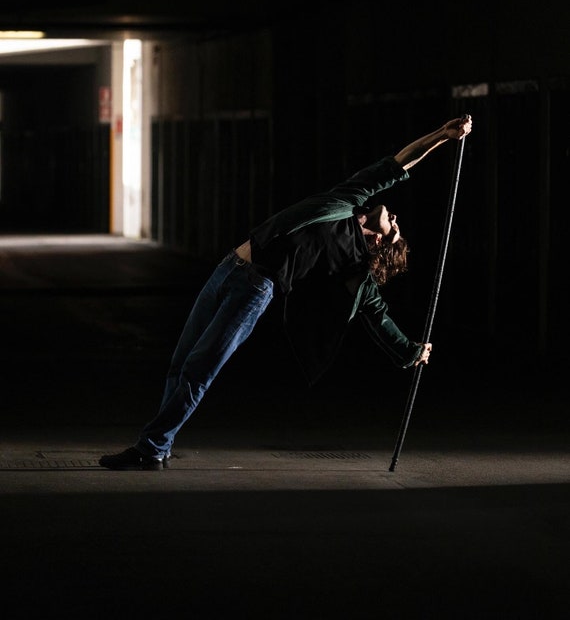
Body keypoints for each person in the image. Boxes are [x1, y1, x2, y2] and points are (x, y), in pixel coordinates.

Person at [99, 114, 473, 470]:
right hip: (229, 267)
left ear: (380, 242)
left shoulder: (354, 267)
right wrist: (442, 135)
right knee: (181, 362)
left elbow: (376, 314)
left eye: (395, 227)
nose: (395, 217)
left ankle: (151, 448)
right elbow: (398, 164)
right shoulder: (347, 199)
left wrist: (410, 351)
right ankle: (160, 445)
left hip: (254, 289)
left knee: (200, 368)